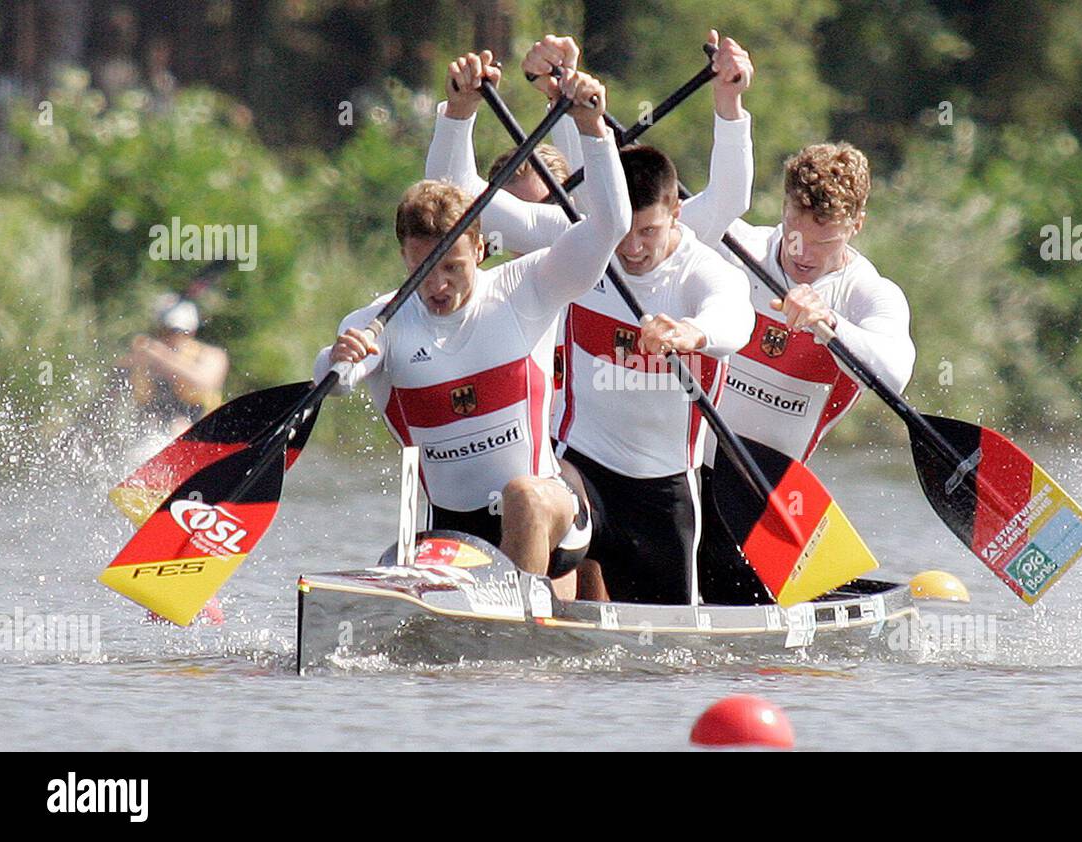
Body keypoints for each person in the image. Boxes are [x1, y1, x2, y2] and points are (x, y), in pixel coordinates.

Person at [426, 36, 755, 604]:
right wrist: (458, 115)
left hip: (663, 494)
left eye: (649, 233)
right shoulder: (581, 241)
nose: (630, 250)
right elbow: (463, 200)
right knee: (528, 495)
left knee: (668, 665)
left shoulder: (701, 270)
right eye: (623, 232)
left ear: (677, 212)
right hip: (581, 472)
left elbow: (737, 318)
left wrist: (691, 332)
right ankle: (511, 643)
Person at [317, 69, 631, 588]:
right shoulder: (381, 321)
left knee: (522, 495)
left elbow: (609, 228)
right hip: (452, 536)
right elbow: (334, 378)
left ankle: (513, 627)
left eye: (453, 267)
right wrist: (340, 359)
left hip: (551, 515)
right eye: (424, 267)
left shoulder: (526, 286)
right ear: (404, 256)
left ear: (481, 250)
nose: (438, 285)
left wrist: (594, 129)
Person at [699, 142, 916, 603]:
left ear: (857, 226)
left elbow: (893, 375)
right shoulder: (736, 249)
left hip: (762, 495)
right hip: (684, 471)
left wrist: (830, 325)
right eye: (796, 234)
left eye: (824, 242)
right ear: (783, 208)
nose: (804, 255)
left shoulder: (867, 294)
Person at [122, 294, 229, 437]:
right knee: (153, 423)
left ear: (192, 331)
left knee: (179, 425)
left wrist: (160, 357)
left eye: (181, 332)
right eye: (166, 330)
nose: (174, 337)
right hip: (149, 426)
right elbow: (112, 389)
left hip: (199, 427)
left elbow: (206, 381)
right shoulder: (142, 355)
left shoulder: (211, 355)